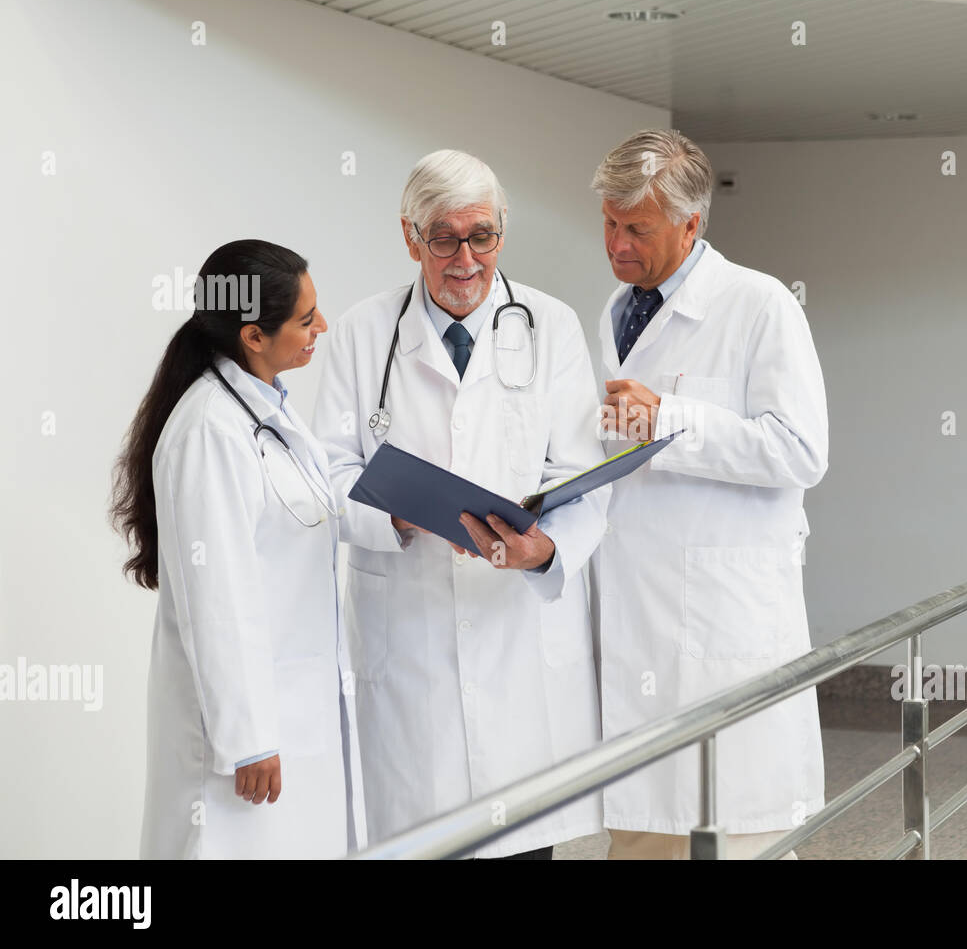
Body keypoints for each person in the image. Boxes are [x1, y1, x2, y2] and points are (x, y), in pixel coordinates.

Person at [311, 150, 607, 859]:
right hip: (409, 645)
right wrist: (398, 513)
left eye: (483, 235)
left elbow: (582, 472)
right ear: (410, 237)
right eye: (444, 238)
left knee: (521, 844)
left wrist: (546, 550)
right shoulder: (363, 332)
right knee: (423, 841)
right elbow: (327, 474)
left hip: (519, 642)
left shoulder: (551, 325)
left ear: (502, 233)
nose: (466, 258)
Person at [590, 129, 829, 860]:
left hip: (725, 627)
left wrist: (671, 417)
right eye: (609, 223)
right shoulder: (615, 310)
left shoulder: (759, 305)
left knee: (743, 830)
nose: (618, 244)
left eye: (639, 228)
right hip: (635, 616)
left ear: (691, 223)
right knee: (640, 833)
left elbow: (800, 449)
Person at [112, 240, 365, 859]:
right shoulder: (209, 431)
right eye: (307, 320)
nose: (322, 329)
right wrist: (248, 737)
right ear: (253, 335)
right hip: (243, 740)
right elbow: (216, 593)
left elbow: (311, 519)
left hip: (292, 711)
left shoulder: (266, 412)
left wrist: (401, 517)